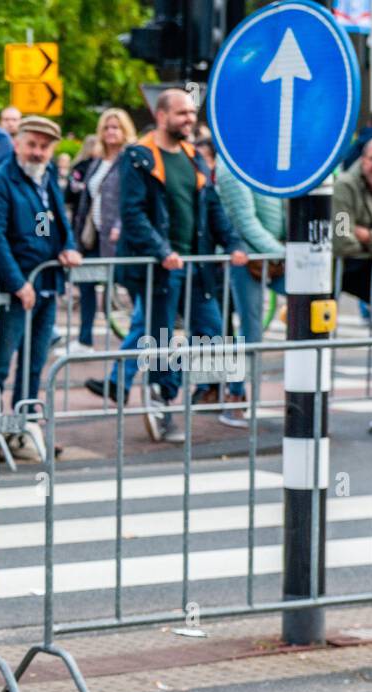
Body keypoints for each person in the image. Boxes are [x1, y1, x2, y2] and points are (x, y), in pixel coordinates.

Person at [83, 89, 247, 443]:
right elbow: (133, 213)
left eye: (191, 113)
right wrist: (161, 251)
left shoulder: (193, 156)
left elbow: (212, 206)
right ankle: (163, 398)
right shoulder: (139, 157)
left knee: (212, 332)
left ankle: (199, 390)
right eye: (182, 113)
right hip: (160, 268)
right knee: (159, 337)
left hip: (196, 265)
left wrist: (233, 243)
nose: (189, 119)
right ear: (161, 116)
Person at [0, 116, 81, 462]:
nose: (38, 153)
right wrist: (17, 282)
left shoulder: (47, 178)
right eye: (32, 145)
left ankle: (23, 427)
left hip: (46, 284)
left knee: (35, 363)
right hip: (16, 287)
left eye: (44, 147)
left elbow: (60, 222)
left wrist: (68, 246)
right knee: (0, 362)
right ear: (18, 143)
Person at [212, 151, 286, 426]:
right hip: (246, 259)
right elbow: (244, 222)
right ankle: (236, 395)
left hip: (272, 255)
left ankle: (309, 388)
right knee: (250, 329)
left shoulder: (266, 159)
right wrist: (281, 252)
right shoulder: (232, 164)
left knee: (315, 301)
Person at [67, 108, 136, 355]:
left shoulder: (130, 160)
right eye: (106, 127)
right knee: (85, 285)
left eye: (116, 127)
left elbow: (132, 197)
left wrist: (120, 225)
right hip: (92, 235)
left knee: (127, 284)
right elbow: (87, 198)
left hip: (117, 237)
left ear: (125, 130)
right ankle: (85, 340)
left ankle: (141, 337)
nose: (110, 132)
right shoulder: (97, 161)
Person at [333, 134, 372, 404]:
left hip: (371, 261)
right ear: (363, 160)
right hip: (339, 267)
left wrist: (369, 236)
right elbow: (342, 239)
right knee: (312, 326)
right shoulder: (344, 186)